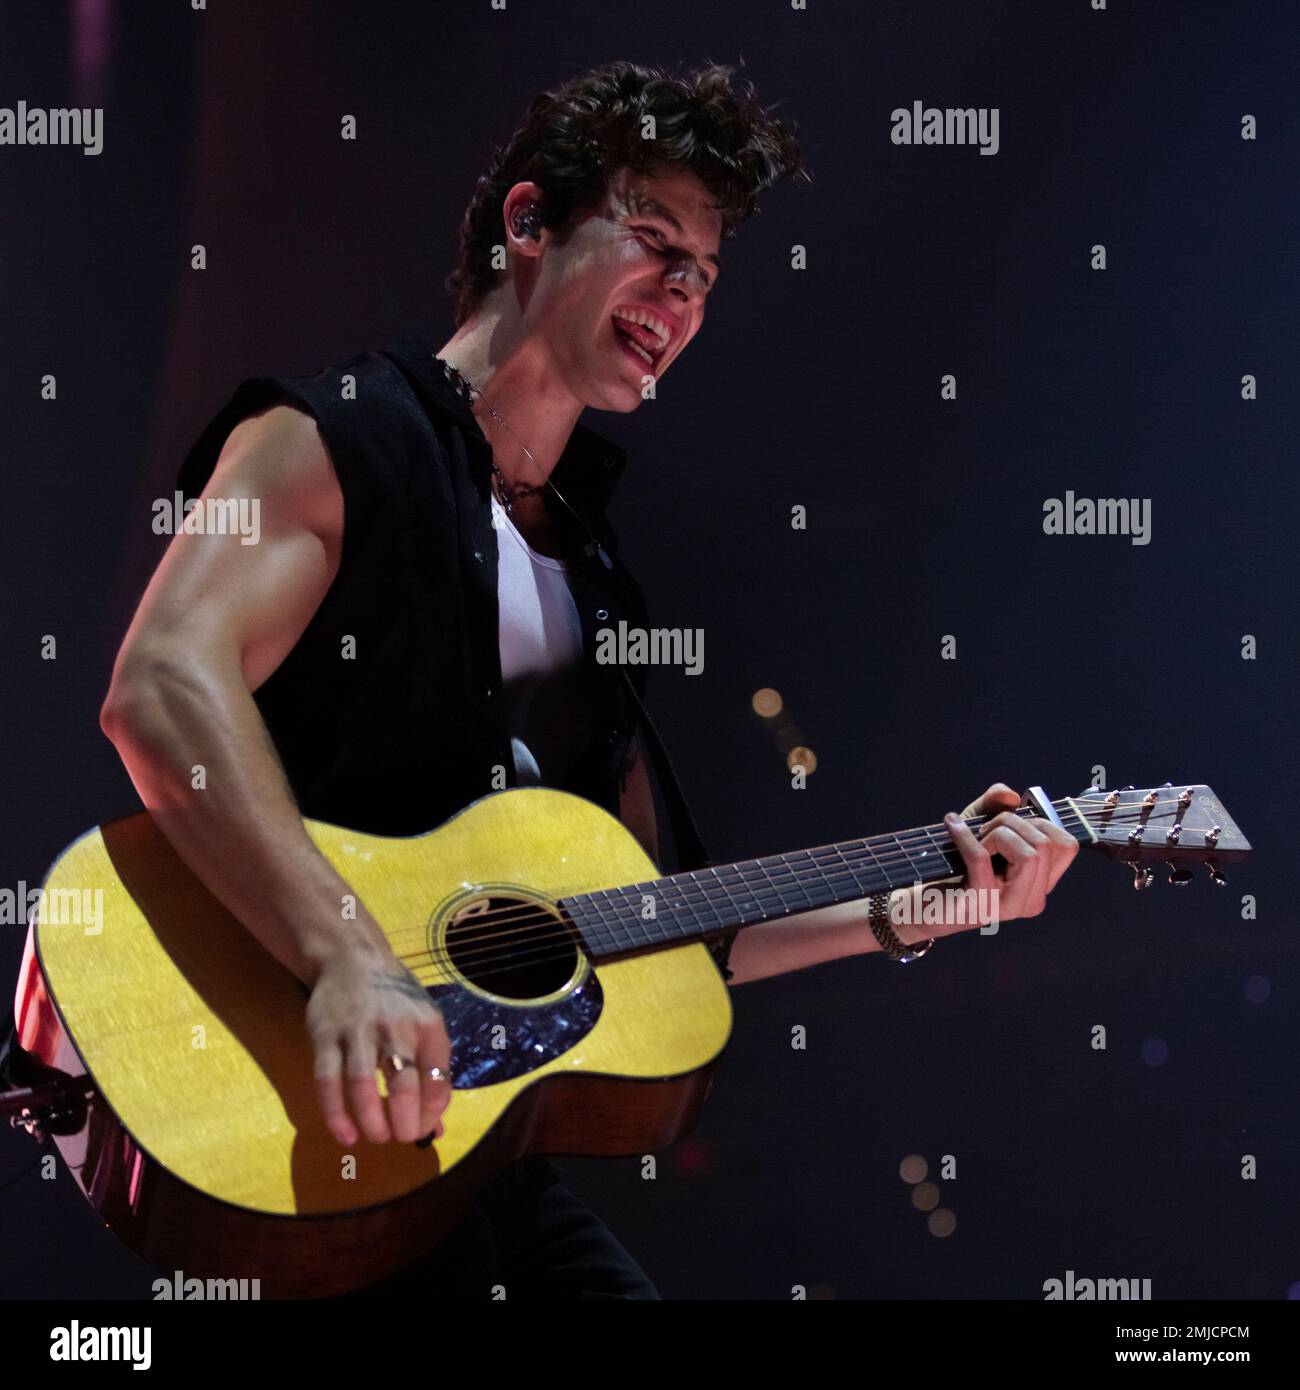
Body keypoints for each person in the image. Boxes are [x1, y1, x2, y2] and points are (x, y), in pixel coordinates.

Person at [95, 61, 1079, 1298]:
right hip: (295, 1117)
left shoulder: (590, 571)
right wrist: (348, 952)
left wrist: (937, 896)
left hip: (477, 1147)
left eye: (705, 275)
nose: (679, 292)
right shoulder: (338, 433)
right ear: (528, 224)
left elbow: (665, 926)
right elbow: (163, 685)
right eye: (652, 239)